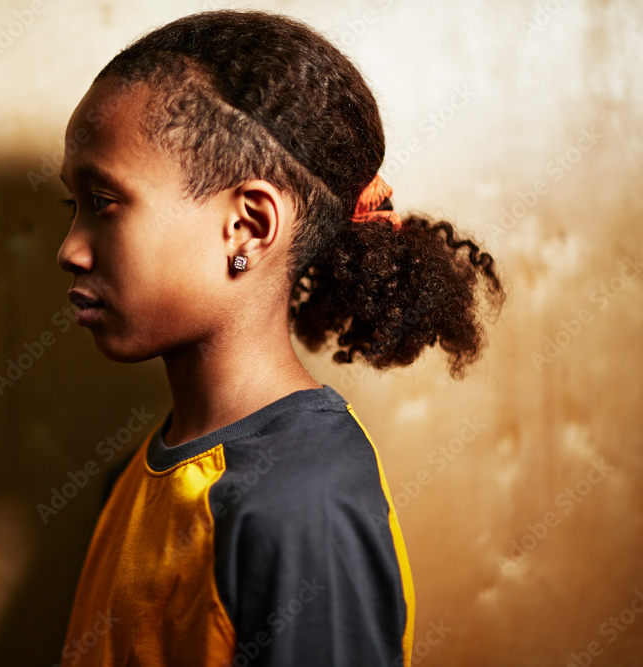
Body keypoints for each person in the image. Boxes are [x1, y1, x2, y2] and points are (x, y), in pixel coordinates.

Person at [54, 9, 504, 667]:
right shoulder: (139, 470)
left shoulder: (303, 509)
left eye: (103, 202)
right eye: (71, 206)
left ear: (248, 226)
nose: (68, 250)